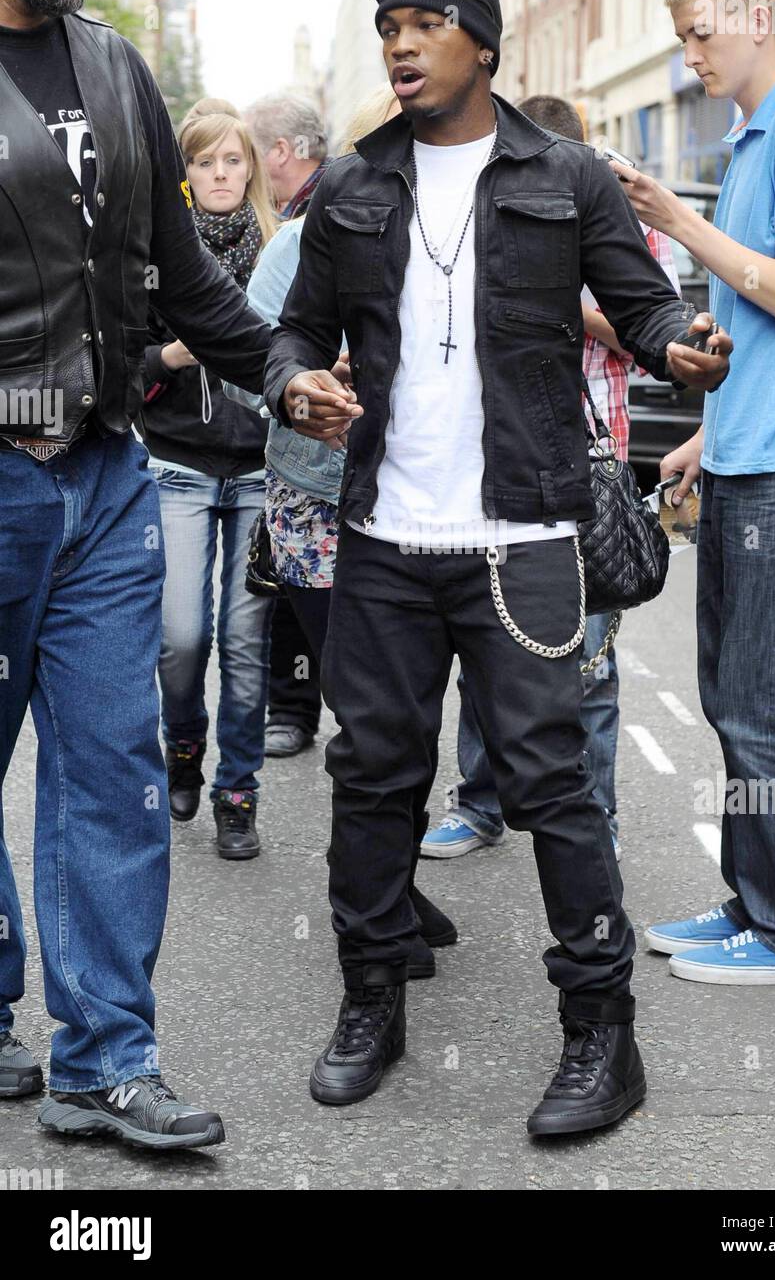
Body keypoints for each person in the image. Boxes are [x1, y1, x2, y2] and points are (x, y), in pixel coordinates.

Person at [264, 0, 730, 1135]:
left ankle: (600, 1033)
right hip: (383, 536)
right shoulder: (355, 187)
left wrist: (680, 346)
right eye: (391, 30)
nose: (402, 47)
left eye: (426, 26)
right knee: (373, 779)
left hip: (521, 533)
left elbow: (643, 303)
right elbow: (294, 336)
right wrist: (294, 388)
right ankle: (371, 997)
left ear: (481, 41)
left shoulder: (566, 174)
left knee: (550, 785)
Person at [0, 0, 271, 1147]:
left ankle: (105, 1058)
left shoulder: (115, 66)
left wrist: (281, 371)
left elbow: (183, 261)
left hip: (109, 471)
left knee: (110, 767)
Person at [614, 0, 775, 985]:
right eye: (680, 39)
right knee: (731, 694)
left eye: (699, 32)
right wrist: (708, 433)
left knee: (765, 706)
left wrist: (677, 222)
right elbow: (768, 327)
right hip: (748, 456)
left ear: (758, 17)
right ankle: (755, 902)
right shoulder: (758, 136)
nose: (690, 57)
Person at [225, 83, 457, 978]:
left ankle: (392, 877)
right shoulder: (294, 244)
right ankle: (375, 900)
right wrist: (315, 378)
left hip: (413, 503)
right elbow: (254, 367)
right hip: (321, 504)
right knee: (364, 710)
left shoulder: (437, 240)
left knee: (412, 706)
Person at [423, 92, 682, 861]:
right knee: (488, 640)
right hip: (497, 461)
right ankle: (479, 803)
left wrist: (558, 288)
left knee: (590, 664)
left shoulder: (621, 222)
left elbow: (649, 330)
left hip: (590, 473)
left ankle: (593, 822)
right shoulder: (482, 203)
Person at [141, 102, 277, 860]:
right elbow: (125, 367)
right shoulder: (158, 253)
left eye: (233, 160)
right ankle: (183, 742)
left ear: (251, 166)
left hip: (262, 470)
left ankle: (239, 792)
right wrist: (176, 356)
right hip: (179, 467)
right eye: (204, 163)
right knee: (181, 638)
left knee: (246, 640)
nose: (221, 174)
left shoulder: (281, 249)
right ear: (185, 175)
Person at [245, 93, 333, 759]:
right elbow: (254, 364)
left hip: (381, 484)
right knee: (321, 629)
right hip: (308, 478)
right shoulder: (290, 239)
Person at [245, 91, 330, 220]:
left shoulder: (321, 215)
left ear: (281, 151)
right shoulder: (336, 195)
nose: (246, 167)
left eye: (250, 153)